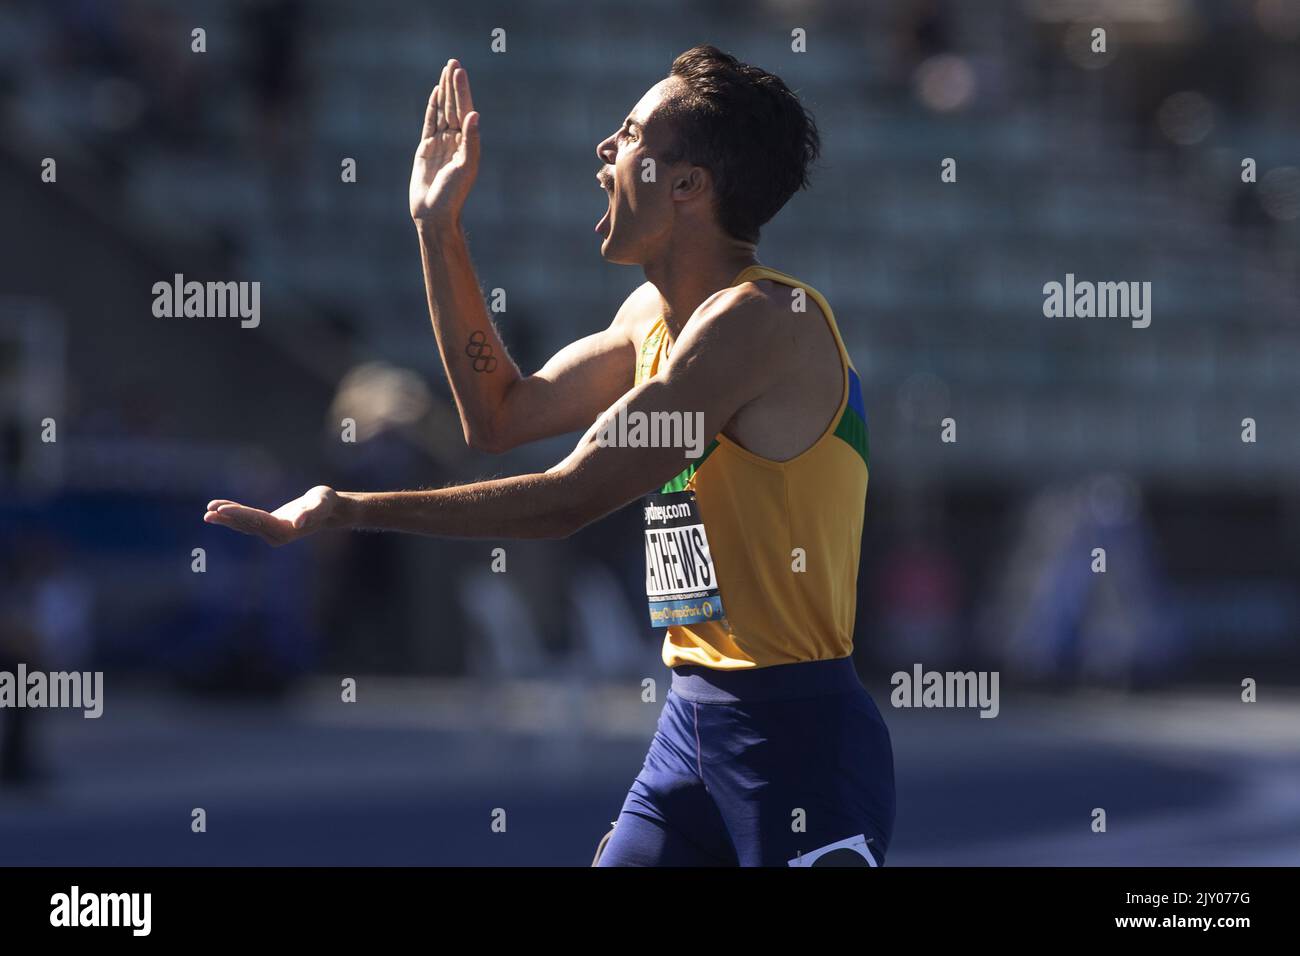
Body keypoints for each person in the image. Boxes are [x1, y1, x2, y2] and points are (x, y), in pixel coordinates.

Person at [205, 46, 894, 867]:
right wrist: (437, 227)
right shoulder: (649, 318)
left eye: (632, 134)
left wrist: (354, 509)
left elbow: (568, 499)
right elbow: (498, 415)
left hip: (798, 741)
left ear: (687, 186)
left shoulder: (762, 323)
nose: (605, 150)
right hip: (690, 728)